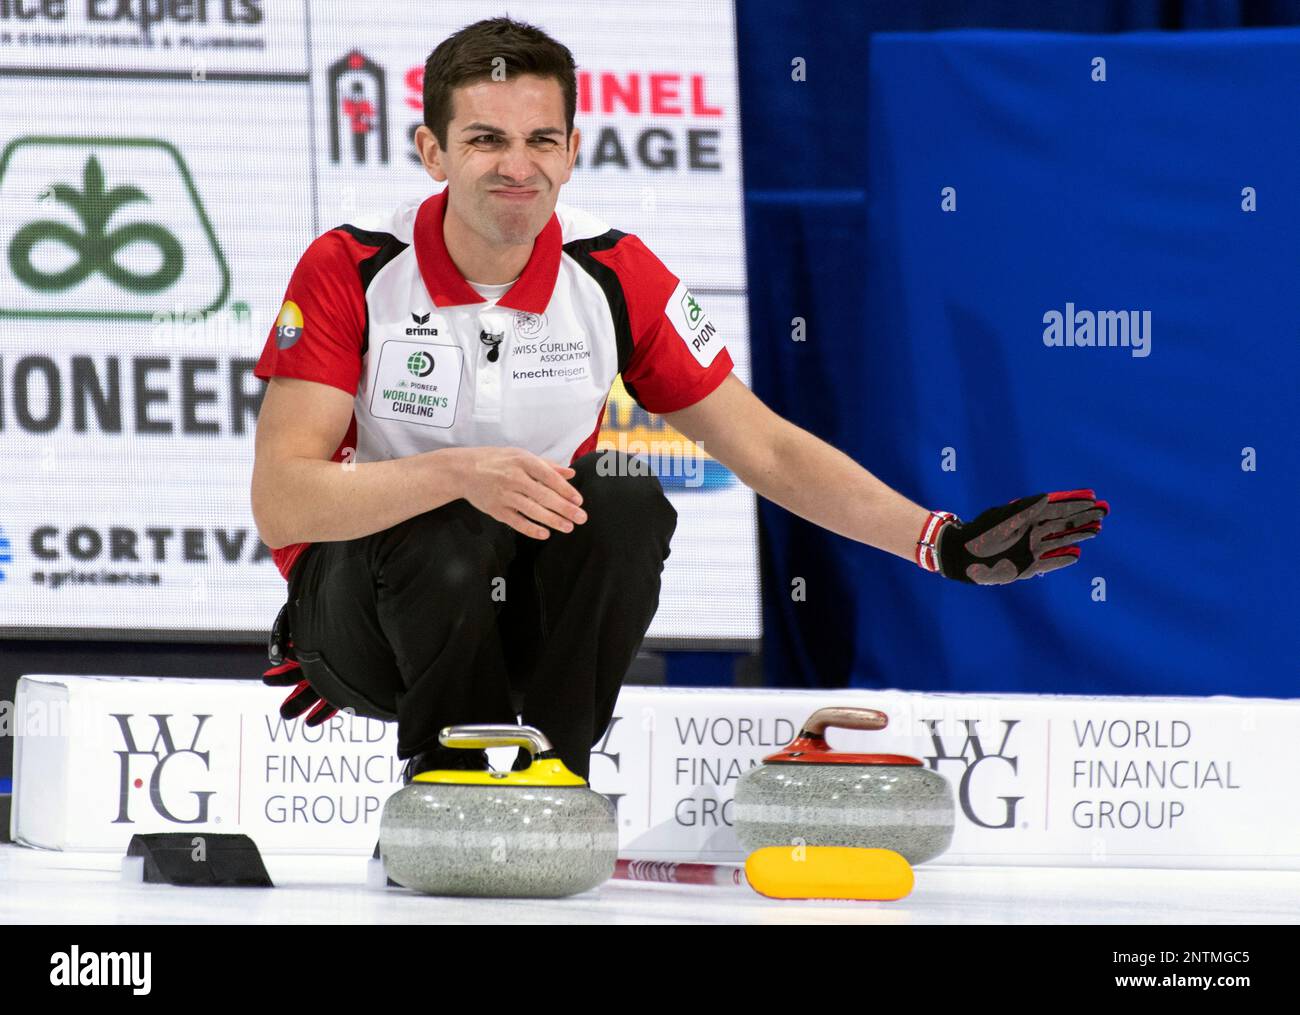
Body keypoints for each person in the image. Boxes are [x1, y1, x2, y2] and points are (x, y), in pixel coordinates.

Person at [251, 17, 1108, 784]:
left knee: (624, 500)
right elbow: (281, 497)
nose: (518, 167)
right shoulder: (352, 267)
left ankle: (554, 779)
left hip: (521, 626)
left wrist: (943, 544)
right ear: (433, 153)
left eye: (541, 140)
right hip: (368, 627)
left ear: (573, 151)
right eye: (485, 140)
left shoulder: (614, 273)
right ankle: (446, 786)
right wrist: (456, 473)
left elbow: (764, 447)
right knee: (444, 530)